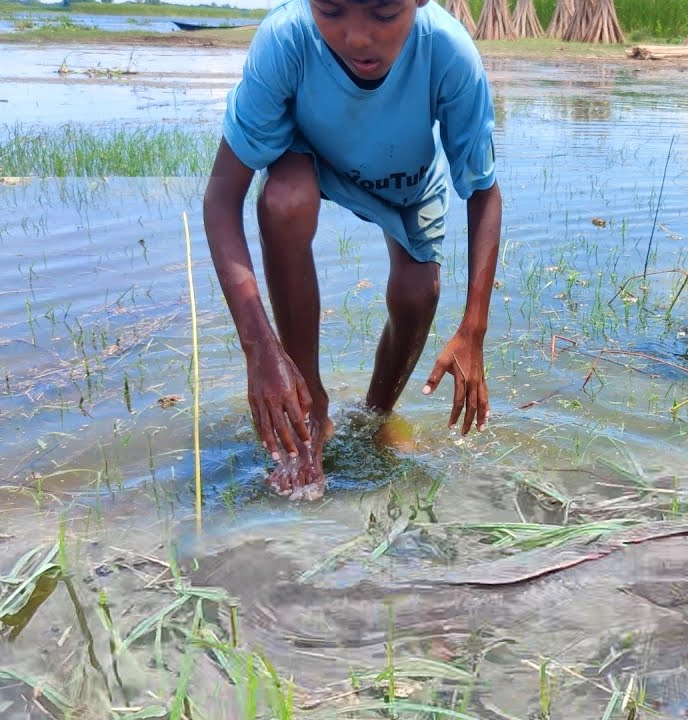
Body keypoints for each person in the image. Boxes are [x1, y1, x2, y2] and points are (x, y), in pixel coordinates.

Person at [203, 0, 502, 500]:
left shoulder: (448, 53)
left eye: (384, 14)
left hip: (402, 179)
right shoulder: (286, 41)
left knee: (418, 293)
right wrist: (259, 348)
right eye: (331, 10)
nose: (358, 38)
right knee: (284, 200)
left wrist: (474, 328)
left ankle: (375, 418)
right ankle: (309, 411)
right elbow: (220, 196)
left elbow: (483, 191)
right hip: (310, 158)